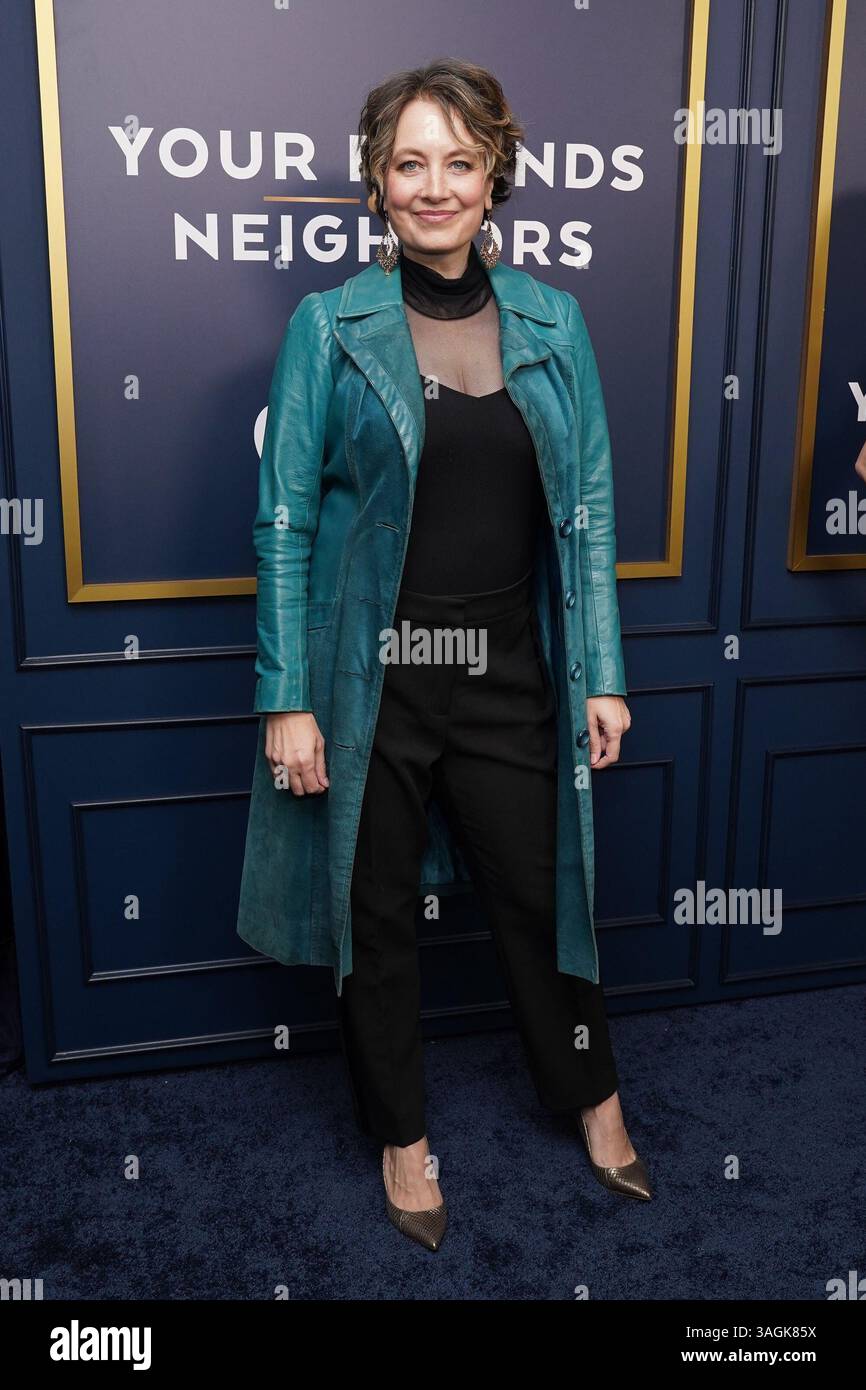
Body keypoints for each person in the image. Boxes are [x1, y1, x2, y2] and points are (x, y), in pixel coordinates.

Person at [236, 58, 652, 1253]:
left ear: (491, 179)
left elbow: (588, 509)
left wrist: (606, 671)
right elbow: (283, 522)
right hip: (372, 685)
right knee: (376, 921)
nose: (434, 187)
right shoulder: (329, 326)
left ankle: (593, 1096)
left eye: (457, 163)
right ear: (377, 182)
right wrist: (288, 700)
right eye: (408, 163)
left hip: (509, 673)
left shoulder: (550, 320)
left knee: (542, 903)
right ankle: (402, 1134)